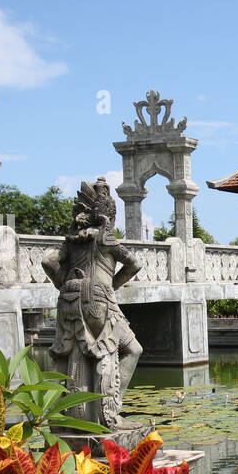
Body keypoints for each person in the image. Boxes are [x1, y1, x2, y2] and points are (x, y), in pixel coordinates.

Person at [41, 179, 143, 429]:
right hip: (98, 303)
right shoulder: (106, 238)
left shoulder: (72, 239)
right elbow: (134, 264)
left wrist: (63, 284)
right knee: (130, 350)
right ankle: (110, 415)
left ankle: (55, 418)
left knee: (68, 354)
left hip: (67, 300)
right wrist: (111, 286)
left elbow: (48, 262)